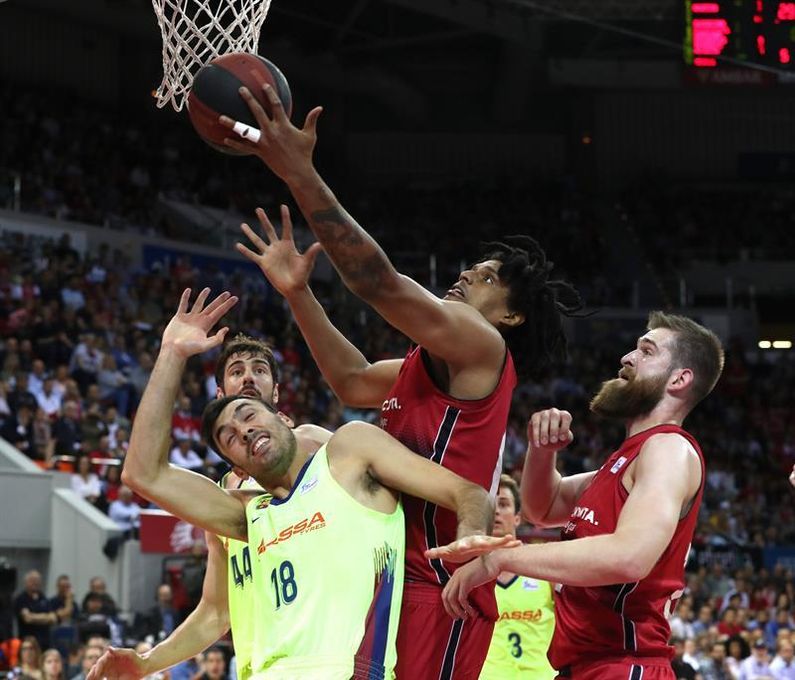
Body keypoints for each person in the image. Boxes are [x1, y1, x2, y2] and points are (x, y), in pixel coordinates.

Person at [226, 100, 581, 675]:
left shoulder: (483, 347)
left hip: (444, 581)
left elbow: (378, 282)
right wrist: (298, 294)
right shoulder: (426, 362)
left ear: (511, 317)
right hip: (394, 569)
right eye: (473, 267)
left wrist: (299, 172)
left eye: (488, 278)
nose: (467, 274)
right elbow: (349, 380)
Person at [92, 289, 502, 680]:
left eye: (251, 412)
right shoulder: (242, 513)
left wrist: (468, 536)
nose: (245, 429)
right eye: (230, 435)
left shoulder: (344, 456)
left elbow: (465, 490)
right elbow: (144, 477)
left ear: (282, 411)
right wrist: (172, 352)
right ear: (231, 460)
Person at [427, 312, 725, 680]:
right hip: (585, 665)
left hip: (623, 662)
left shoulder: (668, 449)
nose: (627, 358)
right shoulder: (624, 460)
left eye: (646, 352)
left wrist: (500, 559)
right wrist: (543, 449)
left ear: (680, 379)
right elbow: (542, 507)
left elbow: (630, 557)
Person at [91, 332, 323, 680]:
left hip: (326, 662)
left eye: (260, 370)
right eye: (237, 370)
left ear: (276, 393)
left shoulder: (315, 446)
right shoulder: (222, 496)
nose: (248, 377)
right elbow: (216, 612)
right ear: (218, 395)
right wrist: (147, 662)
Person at [479, 475, 555, 680]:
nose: (495, 511)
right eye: (490, 505)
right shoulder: (468, 570)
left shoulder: (543, 564)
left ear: (517, 517)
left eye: (503, 504)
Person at [14, 571, 58, 650]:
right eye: (32, 580)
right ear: (26, 582)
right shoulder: (21, 599)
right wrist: (45, 617)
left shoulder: (43, 597)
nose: (35, 583)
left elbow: (53, 618)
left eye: (37, 580)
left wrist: (34, 616)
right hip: (28, 643)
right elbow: (28, 619)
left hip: (45, 643)